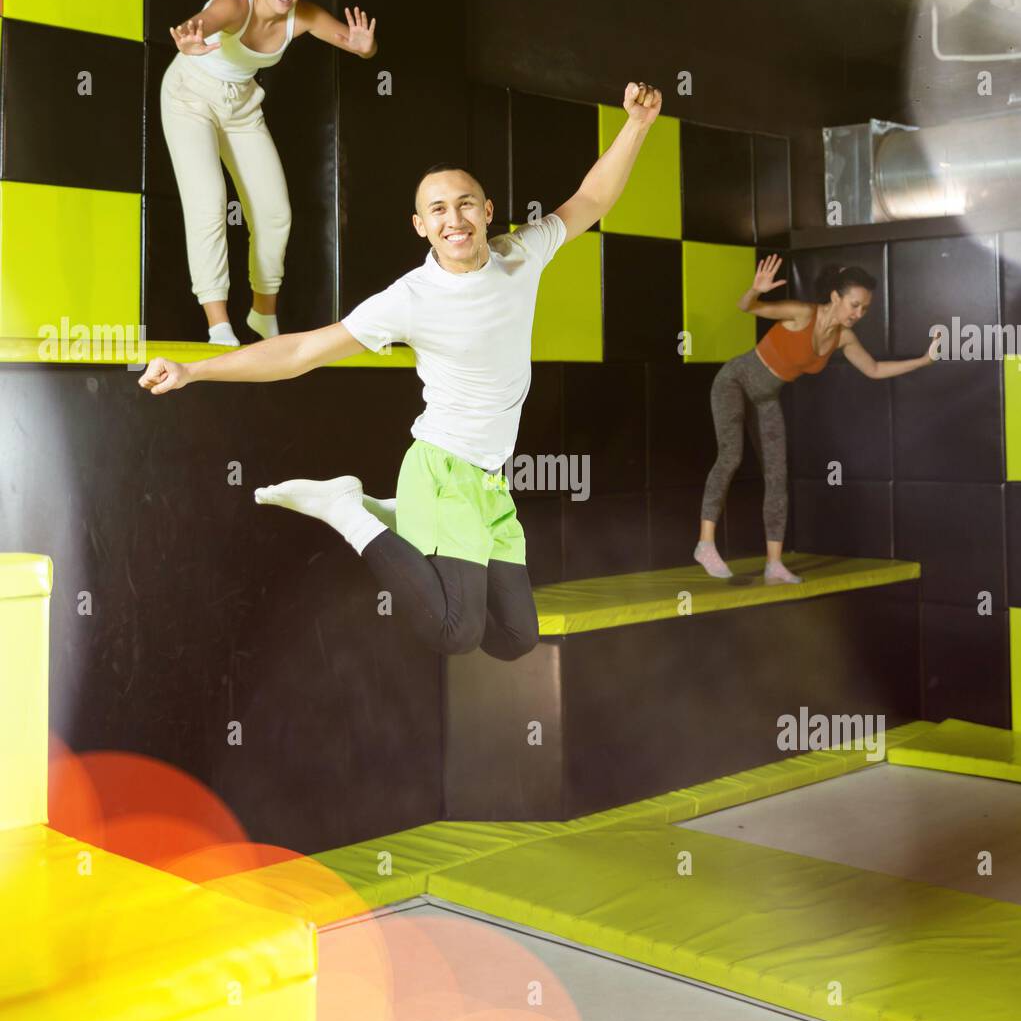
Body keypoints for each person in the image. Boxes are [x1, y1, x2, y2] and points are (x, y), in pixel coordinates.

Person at [140, 82, 663, 659]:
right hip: (442, 468)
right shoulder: (410, 299)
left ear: (487, 212)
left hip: (489, 480)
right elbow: (299, 352)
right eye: (437, 209)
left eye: (465, 203)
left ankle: (390, 511)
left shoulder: (522, 253)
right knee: (453, 631)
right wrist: (194, 371)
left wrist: (636, 125)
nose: (454, 219)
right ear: (420, 226)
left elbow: (591, 199)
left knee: (515, 639)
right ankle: (346, 509)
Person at [161, 0, 378, 346]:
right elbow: (204, 20)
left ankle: (263, 314)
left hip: (241, 107)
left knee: (276, 213)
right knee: (208, 207)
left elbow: (354, 43)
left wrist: (366, 49)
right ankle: (219, 326)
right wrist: (192, 34)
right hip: (189, 99)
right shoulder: (237, 4)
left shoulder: (303, 15)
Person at [696, 255, 936, 584]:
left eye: (865, 309)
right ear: (835, 297)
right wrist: (755, 290)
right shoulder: (802, 313)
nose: (858, 314)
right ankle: (706, 544)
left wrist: (924, 360)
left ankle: (774, 564)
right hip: (734, 382)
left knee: (778, 474)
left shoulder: (844, 338)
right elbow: (747, 308)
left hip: (766, 396)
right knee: (731, 456)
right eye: (854, 305)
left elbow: (875, 370)